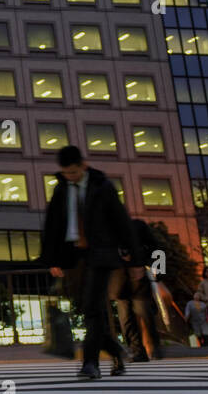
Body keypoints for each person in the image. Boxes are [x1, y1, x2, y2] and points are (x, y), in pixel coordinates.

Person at [39, 145, 142, 379]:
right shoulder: (61, 190)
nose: (71, 177)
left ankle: (90, 364)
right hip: (74, 257)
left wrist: (135, 260)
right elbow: (52, 225)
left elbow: (122, 222)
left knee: (93, 308)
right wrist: (52, 259)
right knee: (88, 310)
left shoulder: (102, 187)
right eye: (66, 173)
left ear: (83, 166)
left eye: (74, 172)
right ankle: (116, 352)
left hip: (100, 254)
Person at [110, 218, 161, 361]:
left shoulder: (136, 226)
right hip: (119, 276)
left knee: (141, 311)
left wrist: (157, 272)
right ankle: (138, 349)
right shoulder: (108, 228)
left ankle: (151, 347)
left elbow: (155, 247)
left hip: (135, 275)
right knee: (127, 315)